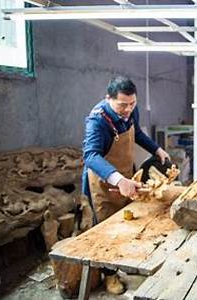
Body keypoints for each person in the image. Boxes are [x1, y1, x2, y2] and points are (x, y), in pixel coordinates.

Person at [81, 76, 170, 294]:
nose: (128, 109)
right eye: (122, 105)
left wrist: (156, 149)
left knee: (129, 223)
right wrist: (118, 180)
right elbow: (90, 155)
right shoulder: (97, 120)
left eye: (132, 104)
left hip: (127, 177)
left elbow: (137, 133)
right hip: (104, 183)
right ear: (108, 99)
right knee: (105, 231)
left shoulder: (130, 109)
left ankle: (125, 262)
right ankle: (109, 276)